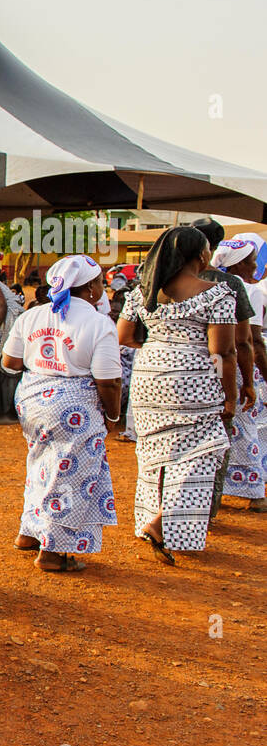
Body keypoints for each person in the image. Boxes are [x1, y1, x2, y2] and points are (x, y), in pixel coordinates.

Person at [119, 226, 237, 564]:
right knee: (203, 450)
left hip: (148, 377)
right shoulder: (217, 293)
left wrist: (161, 351)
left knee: (155, 453)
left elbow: (124, 335)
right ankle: (165, 523)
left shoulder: (141, 291)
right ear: (201, 255)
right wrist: (229, 396)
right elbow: (223, 352)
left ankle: (152, 519)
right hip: (193, 379)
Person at [2, 255, 123, 572]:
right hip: (74, 408)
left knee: (41, 462)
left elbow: (10, 362)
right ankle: (53, 551)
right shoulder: (98, 323)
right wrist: (113, 417)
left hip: (31, 399)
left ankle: (29, 532)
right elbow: (108, 381)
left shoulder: (33, 316)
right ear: (92, 289)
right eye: (100, 282)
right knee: (70, 475)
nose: (102, 287)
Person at [209, 233, 267, 512]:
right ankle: (254, 492)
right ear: (237, 265)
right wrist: (256, 379)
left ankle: (215, 489)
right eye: (252, 262)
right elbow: (251, 341)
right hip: (239, 367)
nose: (255, 267)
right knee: (247, 429)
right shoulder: (249, 290)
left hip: (213, 367)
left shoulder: (208, 285)